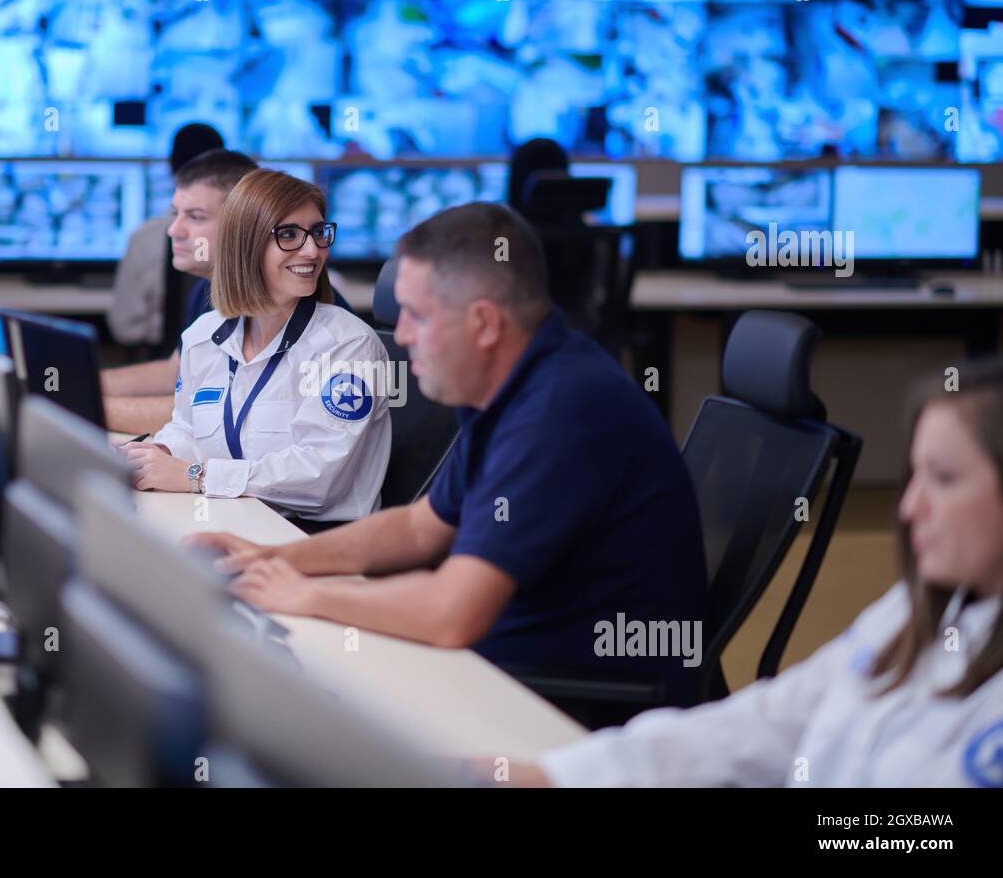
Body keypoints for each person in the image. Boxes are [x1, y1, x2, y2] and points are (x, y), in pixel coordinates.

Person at [192, 202, 709, 716]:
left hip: (570, 706)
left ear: (484, 323)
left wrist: (307, 595)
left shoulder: (559, 411)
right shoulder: (513, 384)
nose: (404, 335)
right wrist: (271, 559)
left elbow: (449, 613)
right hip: (501, 666)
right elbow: (420, 529)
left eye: (417, 316)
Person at [510, 359, 1003, 787]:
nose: (911, 507)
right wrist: (559, 775)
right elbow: (773, 721)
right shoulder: (915, 611)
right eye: (912, 476)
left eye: (943, 479)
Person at [124, 169, 391, 524]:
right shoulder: (204, 335)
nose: (312, 250)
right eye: (290, 235)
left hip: (315, 539)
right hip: (234, 515)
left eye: (318, 233)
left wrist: (195, 476)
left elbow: (318, 476)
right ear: (245, 244)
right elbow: (187, 426)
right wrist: (158, 453)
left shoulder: (348, 345)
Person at [102, 151, 357, 438]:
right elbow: (178, 374)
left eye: (196, 217)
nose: (175, 230)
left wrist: (83, 403)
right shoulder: (207, 290)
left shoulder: (308, 307)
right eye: (176, 214)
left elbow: (226, 414)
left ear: (243, 223)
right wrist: (80, 383)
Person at [106, 123, 224, 347]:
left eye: (196, 217)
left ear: (171, 166)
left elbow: (125, 327)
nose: (176, 231)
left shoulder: (145, 238)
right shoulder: (241, 236)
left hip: (168, 361)